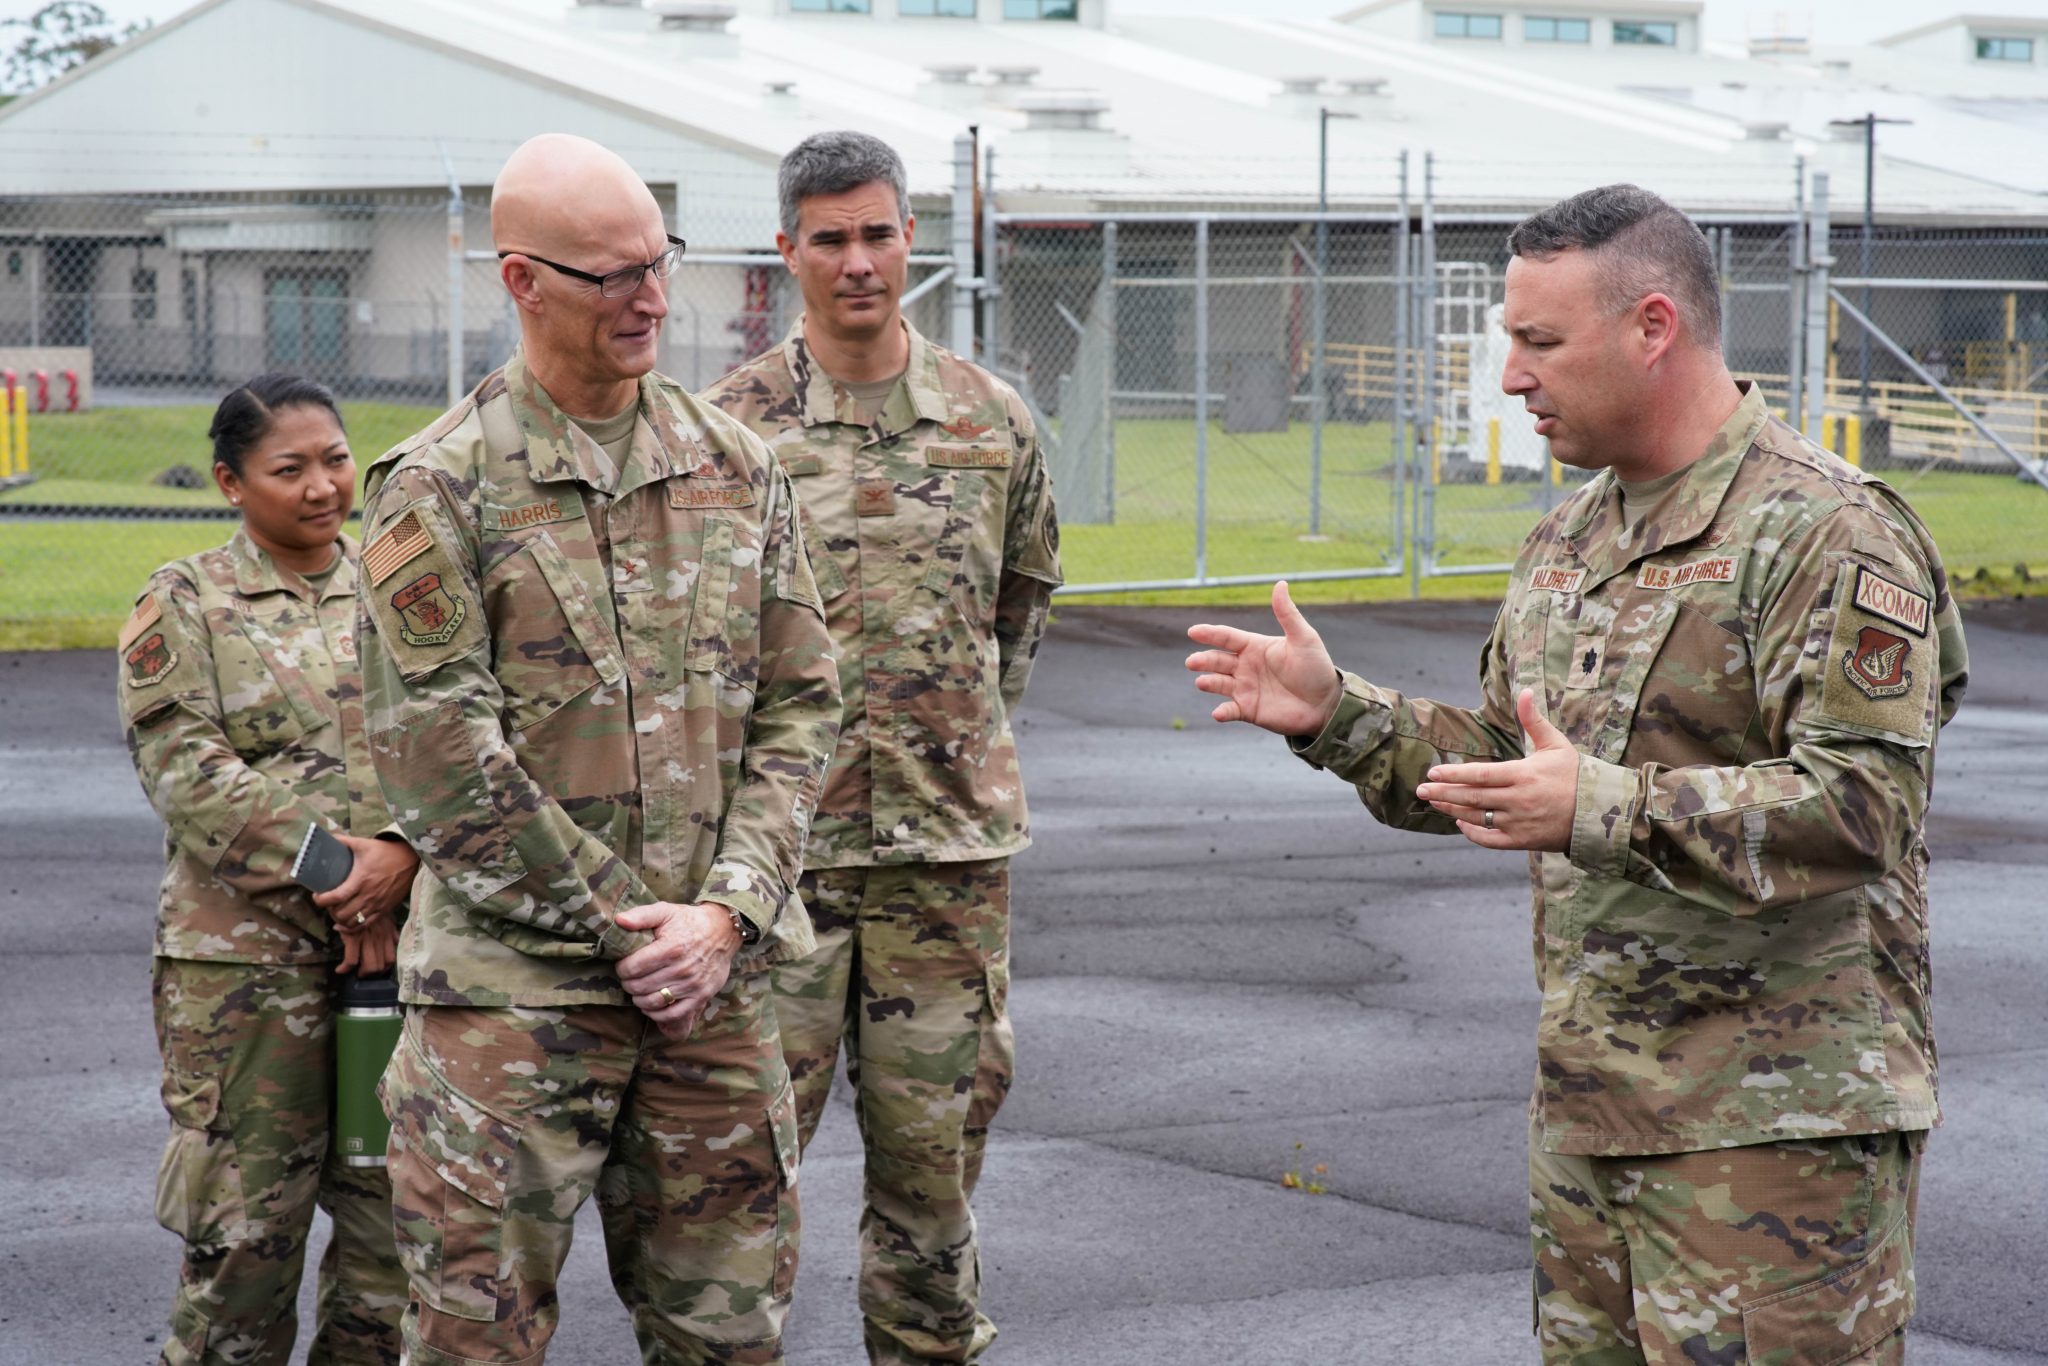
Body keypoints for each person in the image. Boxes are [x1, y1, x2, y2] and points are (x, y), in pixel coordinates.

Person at [1185, 185, 1967, 1365]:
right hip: (1594, 1116)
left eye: (1536, 341)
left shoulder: (1822, 531)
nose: (1509, 377)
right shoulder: (1568, 542)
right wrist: (1337, 714)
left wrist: (1603, 806)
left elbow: (1864, 805)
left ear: (1651, 327)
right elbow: (1512, 766)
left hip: (1773, 1137)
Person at [352, 133, 840, 1366]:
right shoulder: (440, 490)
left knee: (728, 1339)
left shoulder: (735, 465)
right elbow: (441, 761)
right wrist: (645, 928)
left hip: (711, 999)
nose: (652, 298)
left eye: (657, 262)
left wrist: (722, 917)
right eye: (611, 275)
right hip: (511, 1008)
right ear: (521, 280)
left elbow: (802, 705)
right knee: (476, 1341)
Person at [701, 129, 1062, 1364]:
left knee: (933, 1171)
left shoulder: (988, 421)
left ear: (912, 238)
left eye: (876, 233)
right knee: (738, 1170)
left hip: (944, 864)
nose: (856, 261)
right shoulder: (724, 434)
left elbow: (1016, 608)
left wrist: (950, 738)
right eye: (828, 237)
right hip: (776, 873)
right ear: (788, 250)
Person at [117, 374, 413, 1365]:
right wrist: (346, 873)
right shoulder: (185, 600)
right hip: (244, 978)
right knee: (245, 1241)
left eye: (334, 458)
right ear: (229, 482)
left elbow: (466, 742)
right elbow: (188, 772)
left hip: (397, 968)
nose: (323, 485)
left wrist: (405, 860)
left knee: (395, 1240)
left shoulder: (406, 589)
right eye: (289, 469)